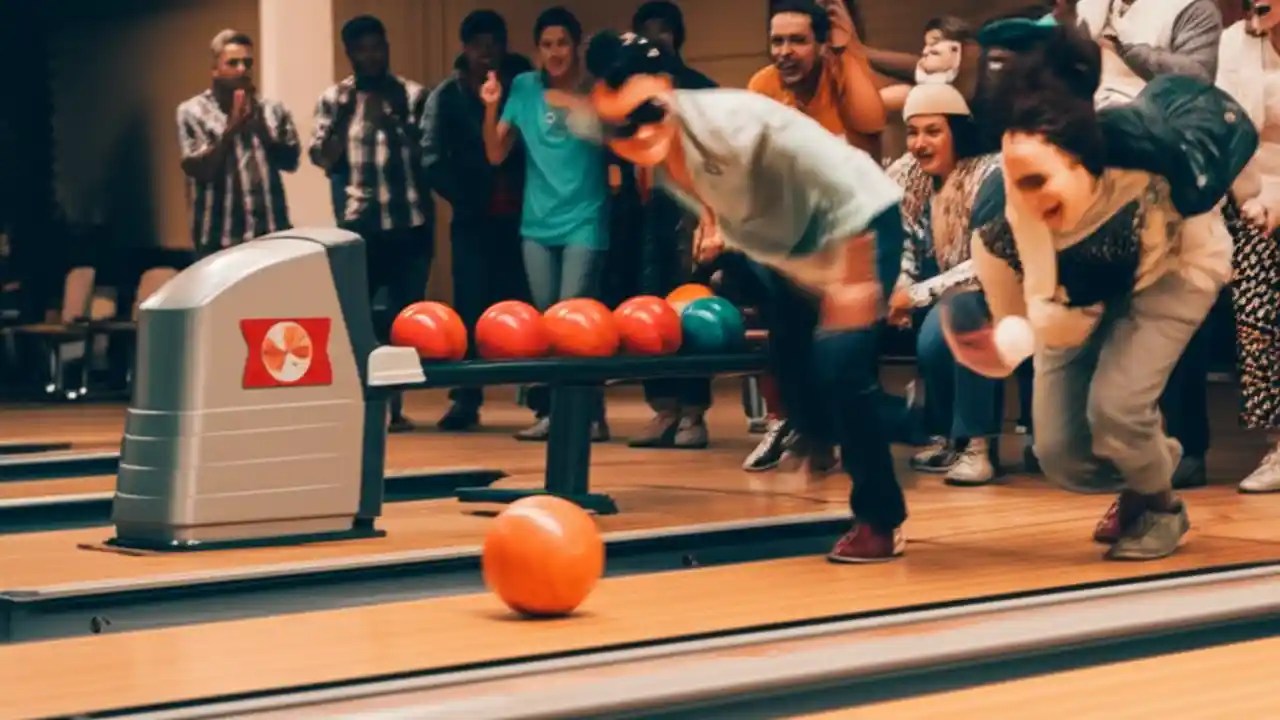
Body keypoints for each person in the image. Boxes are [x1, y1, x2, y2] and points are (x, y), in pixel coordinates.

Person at [575, 31, 907, 562]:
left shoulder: (735, 123)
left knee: (841, 361)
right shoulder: (660, 142)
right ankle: (829, 428)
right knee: (801, 385)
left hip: (855, 220)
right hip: (788, 245)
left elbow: (825, 181)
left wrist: (850, 277)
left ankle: (883, 512)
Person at [967, 25, 1248, 560]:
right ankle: (1144, 466)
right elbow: (1018, 320)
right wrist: (1001, 345)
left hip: (1173, 269)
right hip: (1077, 294)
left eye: (1039, 181)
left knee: (1117, 408)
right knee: (1060, 453)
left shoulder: (1144, 156)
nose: (1027, 196)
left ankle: (1160, 505)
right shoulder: (998, 223)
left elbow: (1207, 185)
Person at [741, 0, 887, 474]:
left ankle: (834, 429)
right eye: (777, 41)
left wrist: (847, 53)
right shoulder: (762, 86)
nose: (784, 52)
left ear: (822, 44)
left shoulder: (844, 75)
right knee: (780, 301)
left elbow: (871, 130)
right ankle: (809, 427)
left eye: (797, 41)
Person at [482, 7, 610, 442]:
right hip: (536, 224)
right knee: (545, 326)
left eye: (563, 43)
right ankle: (557, 413)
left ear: (577, 48)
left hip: (585, 220)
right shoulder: (522, 87)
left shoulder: (595, 90)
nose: (555, 52)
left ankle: (589, 416)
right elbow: (495, 153)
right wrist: (491, 106)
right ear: (538, 50)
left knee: (575, 324)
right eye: (547, 44)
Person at [309, 15, 433, 433]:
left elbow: (428, 156)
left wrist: (398, 118)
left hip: (409, 224)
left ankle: (394, 407)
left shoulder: (413, 95)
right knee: (358, 319)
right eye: (362, 48)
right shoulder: (333, 99)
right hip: (359, 229)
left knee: (403, 321)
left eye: (377, 46)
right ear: (350, 54)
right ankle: (363, 403)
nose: (372, 55)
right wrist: (345, 119)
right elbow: (323, 159)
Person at [421, 10, 534, 431]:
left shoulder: (523, 85)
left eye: (494, 42)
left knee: (527, 304)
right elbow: (431, 157)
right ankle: (466, 398)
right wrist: (463, 197)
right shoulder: (447, 95)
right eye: (479, 43)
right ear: (465, 48)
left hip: (526, 214)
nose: (487, 52)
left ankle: (542, 398)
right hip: (474, 217)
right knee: (470, 307)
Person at [885, 84, 1003, 486]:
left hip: (996, 289)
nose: (919, 143)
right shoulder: (907, 173)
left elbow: (987, 264)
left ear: (957, 130)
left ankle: (977, 446)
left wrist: (913, 295)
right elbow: (898, 238)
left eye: (932, 131)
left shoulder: (991, 174)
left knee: (946, 327)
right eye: (912, 132)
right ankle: (941, 435)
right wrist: (899, 285)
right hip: (935, 288)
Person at [628, 0, 719, 449]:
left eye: (663, 32)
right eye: (647, 33)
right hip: (647, 214)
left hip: (690, 210)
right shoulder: (629, 95)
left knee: (689, 310)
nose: (656, 40)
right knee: (648, 310)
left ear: (677, 38)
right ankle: (663, 408)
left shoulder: (701, 90)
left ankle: (693, 414)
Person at [1218, 0, 1280, 492]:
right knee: (1256, 326)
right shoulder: (1233, 40)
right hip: (1252, 203)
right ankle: (1277, 448)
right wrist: (1249, 199)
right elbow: (1225, 125)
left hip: (1275, 198)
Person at [177, 29, 300, 258]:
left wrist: (261, 127)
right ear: (215, 69)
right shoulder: (192, 112)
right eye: (233, 63)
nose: (242, 69)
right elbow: (201, 170)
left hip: (271, 235)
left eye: (247, 63)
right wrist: (231, 129)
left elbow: (291, 162)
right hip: (218, 239)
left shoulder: (273, 109)